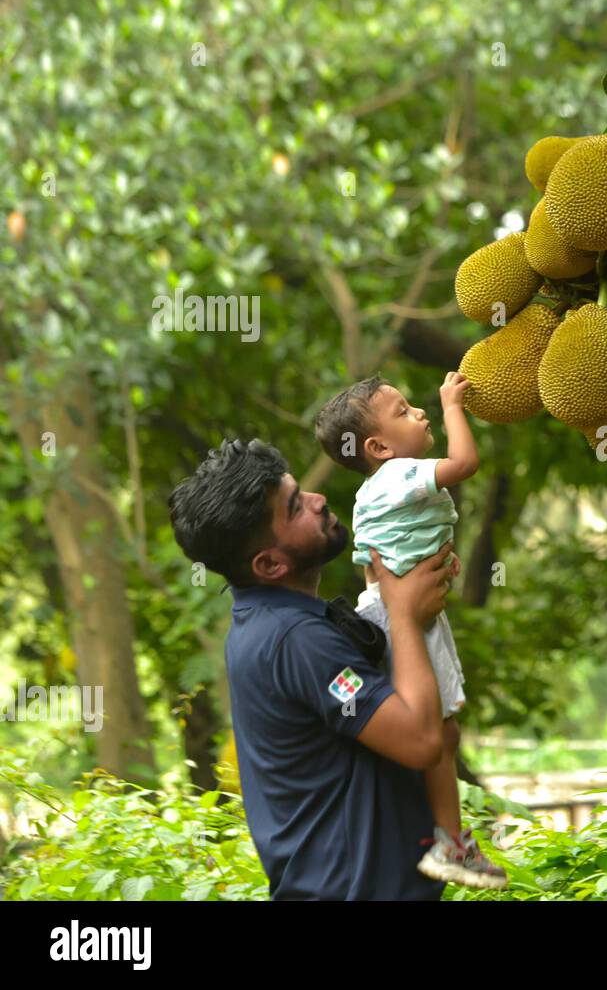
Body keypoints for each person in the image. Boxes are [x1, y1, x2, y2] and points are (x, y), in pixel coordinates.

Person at [168, 438, 456, 900]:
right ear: (269, 564)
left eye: (302, 491)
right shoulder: (297, 641)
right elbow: (421, 742)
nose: (319, 501)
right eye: (296, 507)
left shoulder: (273, 623)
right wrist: (404, 614)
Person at [314, 372, 505, 889]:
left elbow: (388, 553)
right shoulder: (400, 475)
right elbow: (465, 464)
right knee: (436, 732)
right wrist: (452, 405)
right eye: (404, 411)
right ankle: (449, 841)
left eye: (417, 406)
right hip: (407, 619)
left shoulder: (376, 488)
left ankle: (445, 835)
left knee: (442, 730)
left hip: (395, 609)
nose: (419, 413)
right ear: (377, 446)